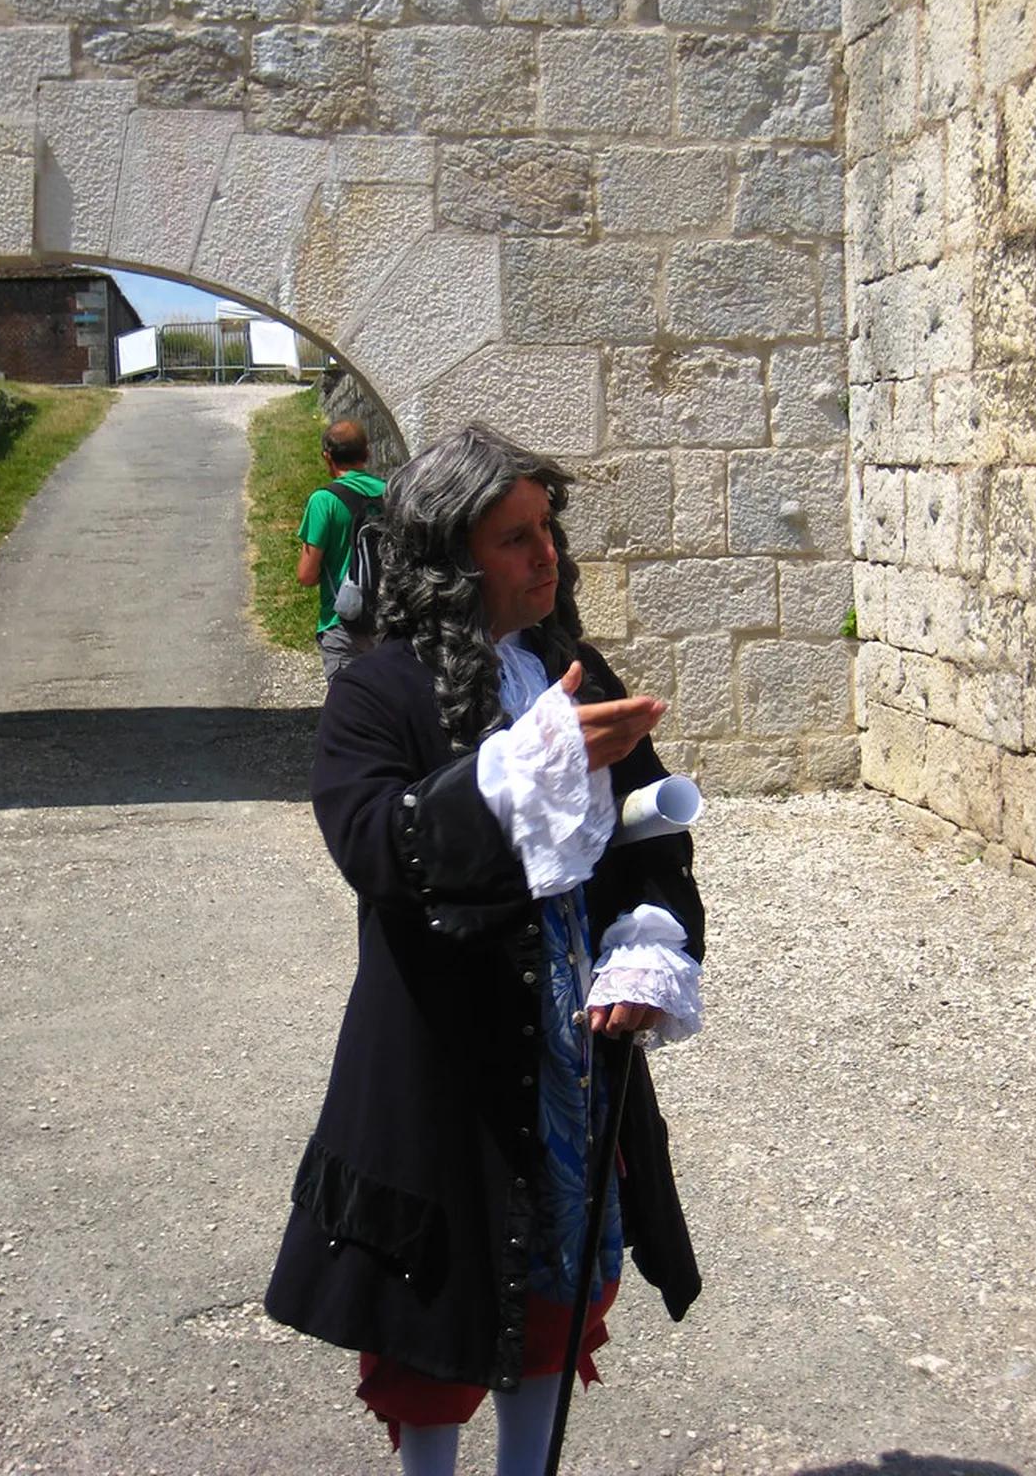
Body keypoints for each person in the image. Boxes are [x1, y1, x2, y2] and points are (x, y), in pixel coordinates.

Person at [266, 424, 706, 1476]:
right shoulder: (380, 693)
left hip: (569, 1056)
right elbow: (373, 842)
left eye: (546, 530)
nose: (545, 555)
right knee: (438, 1310)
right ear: (451, 557)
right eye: (515, 538)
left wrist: (646, 947)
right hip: (441, 1062)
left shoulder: (575, 669)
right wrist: (517, 769)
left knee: (556, 1288)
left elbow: (651, 831)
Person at [296, 417, 386, 679]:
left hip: (342, 622)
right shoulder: (392, 493)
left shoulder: (324, 500)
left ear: (327, 457)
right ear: (367, 453)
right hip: (389, 620)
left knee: (349, 711)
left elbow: (306, 575)